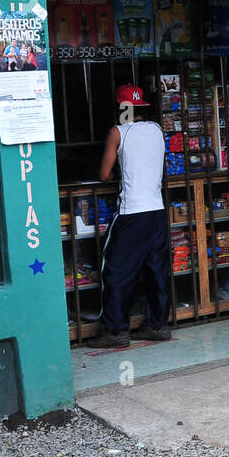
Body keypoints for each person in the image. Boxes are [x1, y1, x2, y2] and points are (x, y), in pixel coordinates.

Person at [85, 85, 171, 347]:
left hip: (131, 213)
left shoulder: (117, 132)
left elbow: (103, 175)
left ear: (121, 109)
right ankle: (158, 325)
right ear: (142, 108)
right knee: (157, 271)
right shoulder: (157, 130)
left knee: (116, 272)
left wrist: (119, 174)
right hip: (156, 212)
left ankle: (115, 330)